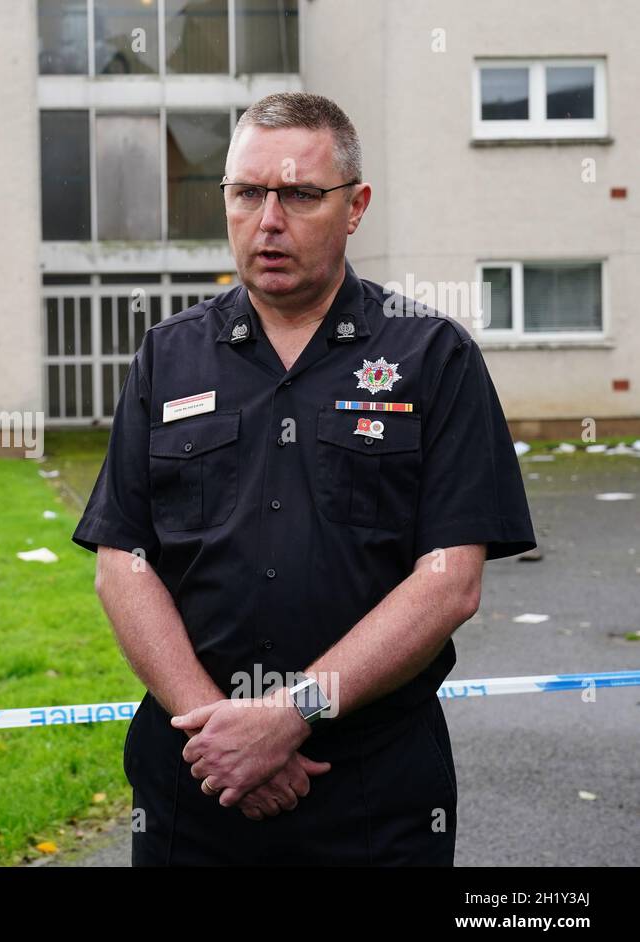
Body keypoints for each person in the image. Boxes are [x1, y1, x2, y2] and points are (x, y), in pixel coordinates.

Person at [71, 92, 536, 865]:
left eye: (299, 195)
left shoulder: (431, 358)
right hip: (197, 781)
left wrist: (291, 714)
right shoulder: (169, 356)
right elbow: (124, 564)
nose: (269, 219)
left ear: (355, 207)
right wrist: (222, 733)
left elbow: (450, 582)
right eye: (248, 192)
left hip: (370, 796)